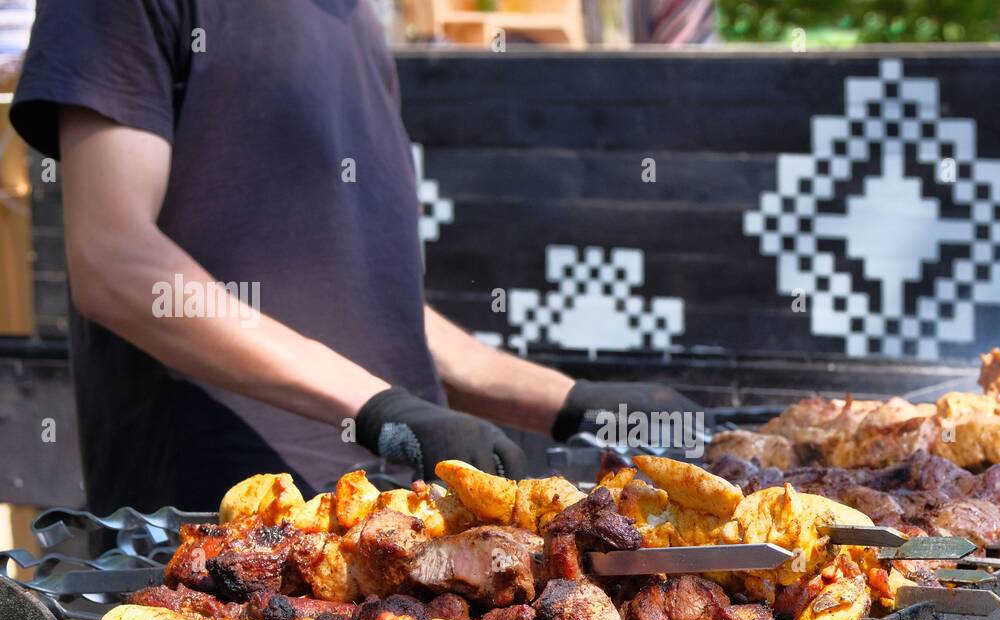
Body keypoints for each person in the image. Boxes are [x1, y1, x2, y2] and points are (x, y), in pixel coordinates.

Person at [10, 0, 699, 512]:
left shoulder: (356, 21)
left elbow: (376, 305)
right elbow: (115, 262)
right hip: (211, 548)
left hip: (392, 532)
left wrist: (571, 404)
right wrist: (379, 411)